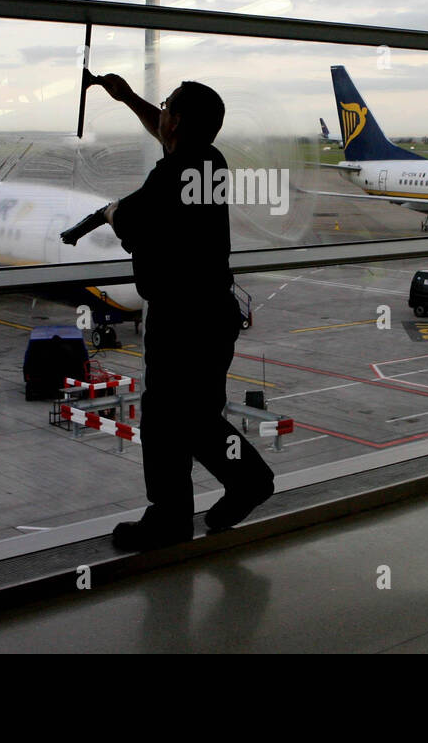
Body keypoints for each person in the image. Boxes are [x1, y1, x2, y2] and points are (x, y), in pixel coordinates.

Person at [93, 74, 275, 550]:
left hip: (181, 321)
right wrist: (128, 97)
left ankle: (171, 518)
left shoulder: (170, 176)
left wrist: (111, 213)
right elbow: (170, 135)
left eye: (166, 107)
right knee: (195, 416)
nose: (162, 114)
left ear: (177, 122)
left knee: (162, 419)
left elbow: (131, 220)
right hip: (214, 316)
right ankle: (248, 481)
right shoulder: (210, 163)